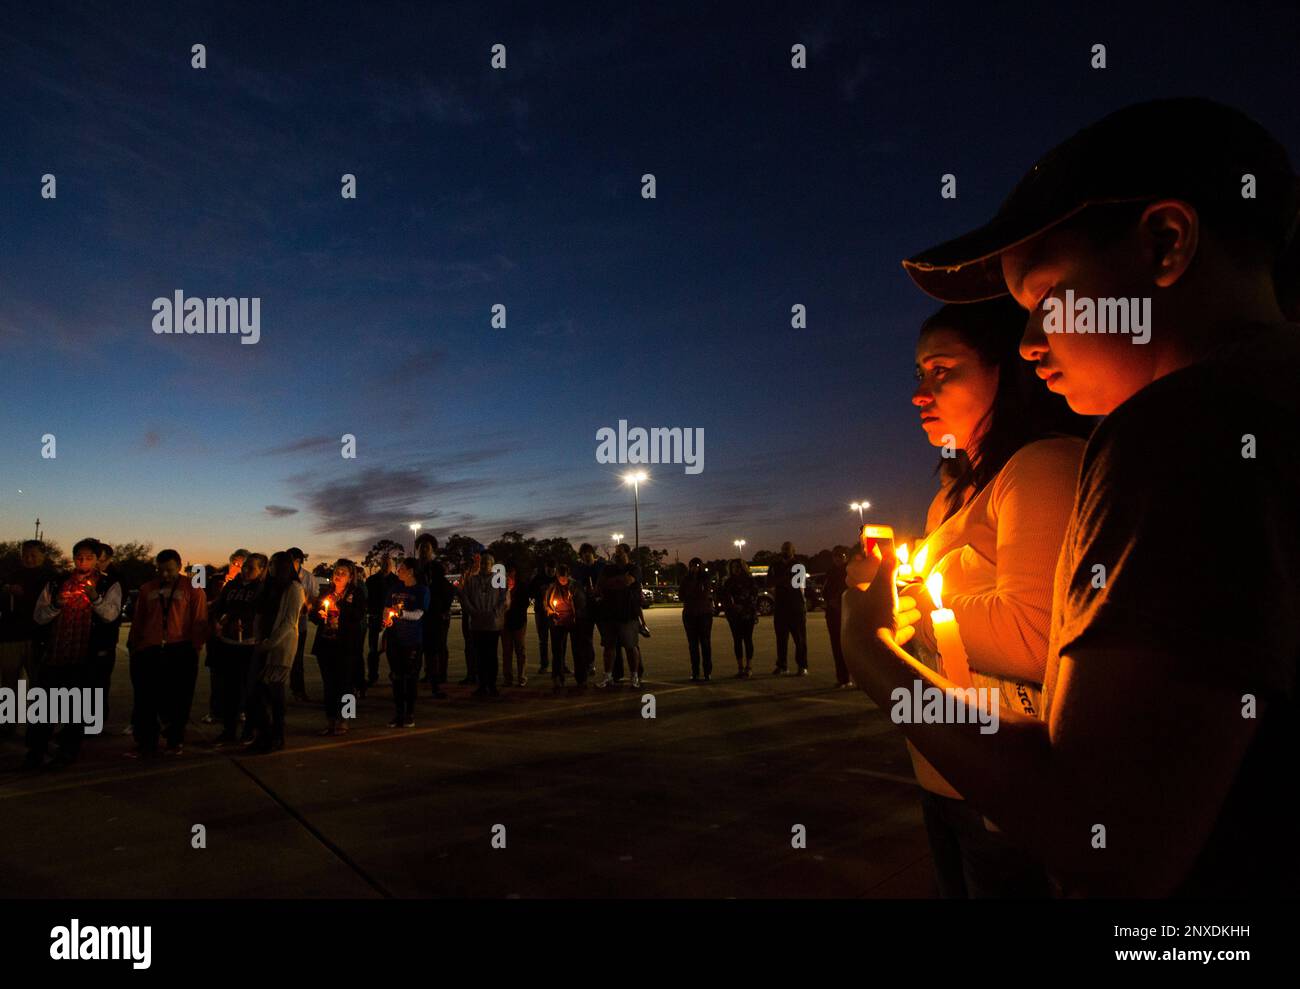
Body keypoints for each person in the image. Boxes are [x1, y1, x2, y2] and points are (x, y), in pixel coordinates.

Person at [845, 97, 1300, 896]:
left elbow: (1105, 828)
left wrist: (872, 654)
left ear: (1166, 242)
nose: (1027, 344)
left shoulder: (1182, 426)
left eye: (1047, 296)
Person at [893, 297, 1093, 898]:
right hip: (944, 767)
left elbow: (1033, 636)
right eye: (919, 375)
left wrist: (909, 615)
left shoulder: (1043, 467)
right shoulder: (952, 497)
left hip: (1006, 780)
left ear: (1003, 368)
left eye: (941, 370)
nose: (919, 393)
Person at [22, 539, 121, 770]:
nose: (83, 562)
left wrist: (95, 598)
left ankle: (67, 751)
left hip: (85, 657)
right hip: (56, 653)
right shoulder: (57, 582)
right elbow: (39, 616)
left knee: (74, 709)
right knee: (44, 706)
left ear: (97, 560)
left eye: (88, 558)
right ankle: (36, 751)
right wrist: (56, 605)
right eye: (79, 557)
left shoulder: (109, 584)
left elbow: (110, 615)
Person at [125, 549, 207, 758]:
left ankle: (174, 740)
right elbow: (138, 619)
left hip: (180, 649)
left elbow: (199, 620)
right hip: (149, 650)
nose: (165, 575)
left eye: (169, 570)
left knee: (178, 699)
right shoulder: (147, 589)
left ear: (179, 567)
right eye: (160, 570)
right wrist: (135, 645)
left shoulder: (193, 588)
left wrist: (196, 647)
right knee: (146, 699)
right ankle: (146, 742)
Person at [243, 552, 304, 754]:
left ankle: (276, 736)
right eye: (271, 565)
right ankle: (264, 733)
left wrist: (270, 643)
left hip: (280, 648)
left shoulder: (294, 588)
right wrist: (258, 637)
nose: (273, 569)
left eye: (278, 565)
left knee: (275, 694)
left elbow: (289, 621)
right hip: (261, 643)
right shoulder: (267, 587)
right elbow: (259, 613)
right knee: (253, 693)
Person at [208, 552, 267, 746]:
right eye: (245, 566)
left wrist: (245, 622)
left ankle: (250, 730)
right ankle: (229, 730)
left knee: (249, 690)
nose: (246, 570)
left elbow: (260, 612)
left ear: (262, 570)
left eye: (251, 567)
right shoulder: (232, 585)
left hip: (249, 645)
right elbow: (219, 606)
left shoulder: (262, 588)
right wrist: (218, 621)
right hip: (228, 643)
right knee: (229, 690)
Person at [0, 540, 58, 738]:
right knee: (8, 683)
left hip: (38, 638)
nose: (29, 559)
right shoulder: (11, 575)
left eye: (33, 555)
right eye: (25, 554)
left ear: (43, 555)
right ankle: (7, 724)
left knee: (39, 683)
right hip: (10, 637)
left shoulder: (51, 578)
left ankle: (38, 727)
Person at [309, 560, 366, 736]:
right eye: (336, 571)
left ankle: (345, 719)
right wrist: (318, 614)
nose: (338, 575)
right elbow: (314, 616)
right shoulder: (327, 592)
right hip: (326, 645)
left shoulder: (356, 593)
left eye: (343, 572)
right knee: (329, 685)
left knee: (345, 684)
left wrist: (340, 607)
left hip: (346, 646)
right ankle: (331, 720)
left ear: (350, 577)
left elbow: (359, 615)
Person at [203, 549, 248, 724]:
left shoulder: (248, 586)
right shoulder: (217, 579)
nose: (237, 567)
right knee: (217, 675)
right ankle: (215, 710)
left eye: (241, 564)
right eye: (234, 563)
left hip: (238, 636)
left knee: (238, 677)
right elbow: (207, 603)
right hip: (216, 636)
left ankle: (240, 709)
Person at [383, 559, 428, 727]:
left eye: (401, 568)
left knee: (410, 677)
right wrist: (386, 617)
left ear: (411, 571)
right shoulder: (395, 588)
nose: (398, 570)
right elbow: (387, 608)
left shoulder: (421, 590)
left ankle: (410, 713)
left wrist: (400, 613)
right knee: (396, 676)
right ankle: (398, 713)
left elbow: (418, 614)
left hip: (412, 640)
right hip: (394, 639)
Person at [596, 546, 643, 688]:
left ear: (627, 554)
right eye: (615, 553)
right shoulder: (608, 569)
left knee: (631, 646)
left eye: (620, 553)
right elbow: (600, 584)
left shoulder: (635, 568)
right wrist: (620, 582)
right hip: (609, 614)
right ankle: (608, 676)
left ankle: (634, 676)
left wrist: (613, 583)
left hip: (628, 614)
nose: (617, 555)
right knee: (609, 647)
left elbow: (628, 581)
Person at [463, 552, 507, 697]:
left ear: (492, 565)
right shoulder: (472, 580)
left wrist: (494, 612)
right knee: (480, 656)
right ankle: (482, 685)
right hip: (477, 623)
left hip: (492, 624)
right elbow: (465, 597)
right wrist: (473, 612)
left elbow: (503, 599)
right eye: (482, 563)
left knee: (491, 655)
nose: (483, 565)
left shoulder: (498, 580)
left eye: (487, 563)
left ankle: (492, 685)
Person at [544, 564, 586, 692]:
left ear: (568, 575)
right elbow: (546, 603)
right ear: (557, 575)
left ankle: (581, 679)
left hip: (574, 622)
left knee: (578, 650)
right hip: (558, 623)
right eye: (560, 576)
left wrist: (575, 615)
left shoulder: (575, 586)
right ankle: (558, 678)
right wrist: (552, 613)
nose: (562, 579)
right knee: (557, 651)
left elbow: (581, 603)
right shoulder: (552, 587)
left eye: (564, 576)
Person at [768, 542, 808, 676]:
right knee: (781, 639)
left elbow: (797, 585)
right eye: (783, 549)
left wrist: (779, 583)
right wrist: (781, 584)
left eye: (788, 549)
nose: (785, 551)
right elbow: (769, 584)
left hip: (795, 606)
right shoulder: (775, 565)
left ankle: (802, 665)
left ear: (793, 550)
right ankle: (782, 665)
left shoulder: (798, 565)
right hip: (780, 607)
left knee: (800, 639)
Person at [287, 547, 318, 702]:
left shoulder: (308, 577)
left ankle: (298, 690)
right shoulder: (282, 576)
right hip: (283, 623)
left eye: (291, 560)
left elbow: (314, 596)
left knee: (297, 659)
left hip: (300, 625)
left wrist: (309, 605)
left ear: (298, 561)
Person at [365, 555, 400, 687]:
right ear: (380, 564)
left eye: (389, 563)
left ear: (392, 564)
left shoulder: (397, 581)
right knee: (374, 650)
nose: (386, 565)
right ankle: (372, 676)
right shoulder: (371, 580)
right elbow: (367, 600)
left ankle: (394, 674)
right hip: (375, 620)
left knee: (393, 650)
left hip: (392, 622)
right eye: (384, 563)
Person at [720, 559, 758, 678]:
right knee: (737, 641)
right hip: (734, 616)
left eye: (738, 567)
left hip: (747, 614)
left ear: (743, 568)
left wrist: (744, 606)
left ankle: (749, 667)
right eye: (733, 567)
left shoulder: (750, 581)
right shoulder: (728, 582)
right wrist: (731, 607)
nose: (736, 569)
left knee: (748, 639)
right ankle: (740, 667)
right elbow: (724, 597)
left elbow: (754, 596)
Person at [678, 557, 714, 681]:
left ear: (701, 566)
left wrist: (691, 592)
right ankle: (695, 671)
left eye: (697, 565)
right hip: (689, 614)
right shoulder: (686, 579)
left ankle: (707, 671)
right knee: (693, 645)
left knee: (705, 643)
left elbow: (704, 594)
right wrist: (692, 585)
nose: (695, 568)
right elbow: (681, 595)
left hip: (704, 613)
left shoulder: (706, 578)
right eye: (692, 565)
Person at [571, 545, 604, 680]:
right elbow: (574, 585)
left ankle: (612, 669)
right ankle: (590, 664)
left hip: (601, 606)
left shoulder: (601, 566)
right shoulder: (578, 569)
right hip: (585, 608)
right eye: (583, 553)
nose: (586, 555)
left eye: (588, 553)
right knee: (586, 638)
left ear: (592, 553)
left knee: (608, 638)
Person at [822, 548, 851, 688]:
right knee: (837, 647)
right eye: (836, 557)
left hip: (848, 613)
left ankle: (856, 678)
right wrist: (831, 601)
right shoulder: (831, 572)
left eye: (841, 556)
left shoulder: (851, 571)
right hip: (833, 614)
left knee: (852, 648)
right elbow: (825, 591)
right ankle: (842, 678)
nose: (838, 559)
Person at [501, 565, 530, 687]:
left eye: (510, 571)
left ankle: (521, 677)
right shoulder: (501, 587)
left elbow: (525, 604)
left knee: (520, 650)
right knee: (507, 652)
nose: (508, 574)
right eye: (506, 572)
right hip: (505, 623)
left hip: (519, 622)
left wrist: (512, 605)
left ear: (515, 572)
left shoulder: (522, 586)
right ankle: (508, 677)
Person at [456, 552, 481, 685]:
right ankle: (471, 674)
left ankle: (479, 674)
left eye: (478, 557)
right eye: (473, 558)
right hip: (467, 613)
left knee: (479, 646)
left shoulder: (485, 575)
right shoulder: (467, 573)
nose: (475, 560)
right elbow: (460, 590)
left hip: (479, 614)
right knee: (469, 645)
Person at [528, 559, 557, 674]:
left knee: (557, 641)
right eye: (549, 570)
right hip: (541, 612)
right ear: (545, 568)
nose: (551, 572)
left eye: (553, 570)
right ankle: (544, 665)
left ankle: (559, 664)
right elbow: (530, 592)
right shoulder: (538, 579)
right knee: (543, 641)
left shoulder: (558, 578)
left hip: (556, 614)